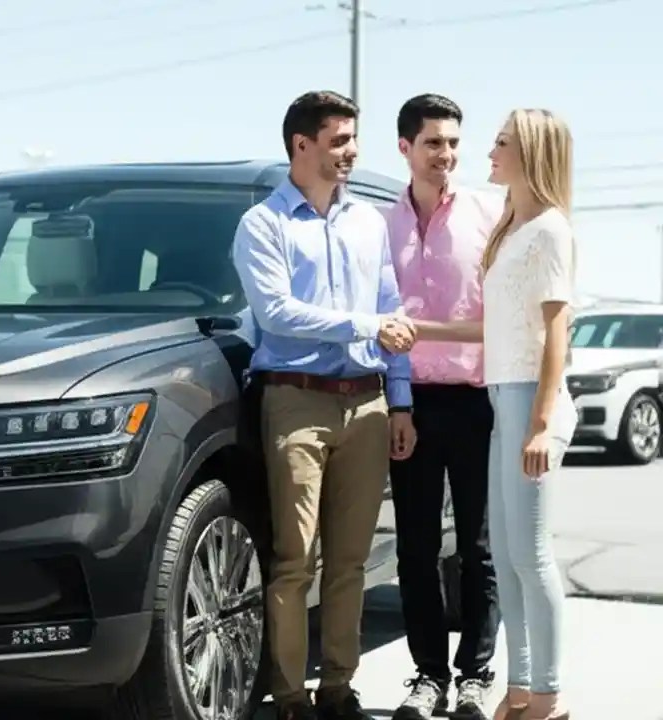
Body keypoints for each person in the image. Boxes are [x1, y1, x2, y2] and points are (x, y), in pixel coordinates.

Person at [232, 90, 416, 720]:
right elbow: (276, 312)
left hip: (366, 407)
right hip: (295, 401)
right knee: (294, 559)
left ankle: (338, 688)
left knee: (350, 561)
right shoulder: (263, 226)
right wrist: (364, 325)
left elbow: (394, 315)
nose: (351, 152)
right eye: (339, 141)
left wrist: (401, 400)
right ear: (301, 145)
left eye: (353, 140)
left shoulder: (369, 223)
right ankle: (288, 696)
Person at [407, 108, 578, 720]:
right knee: (503, 557)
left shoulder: (551, 231)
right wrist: (419, 328)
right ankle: (520, 688)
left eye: (501, 143)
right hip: (499, 396)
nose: (488, 152)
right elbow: (492, 326)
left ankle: (549, 696)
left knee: (531, 555)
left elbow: (556, 332)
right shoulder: (511, 230)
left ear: (530, 152)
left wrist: (539, 422)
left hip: (530, 397)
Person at [383, 94, 503, 720]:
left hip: (480, 403)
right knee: (415, 546)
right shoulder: (380, 224)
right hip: (411, 405)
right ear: (405, 147)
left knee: (478, 547)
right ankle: (427, 676)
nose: (447, 155)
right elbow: (383, 323)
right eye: (433, 143)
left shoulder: (489, 211)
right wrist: (398, 405)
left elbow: (508, 313)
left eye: (454, 143)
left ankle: (476, 677)